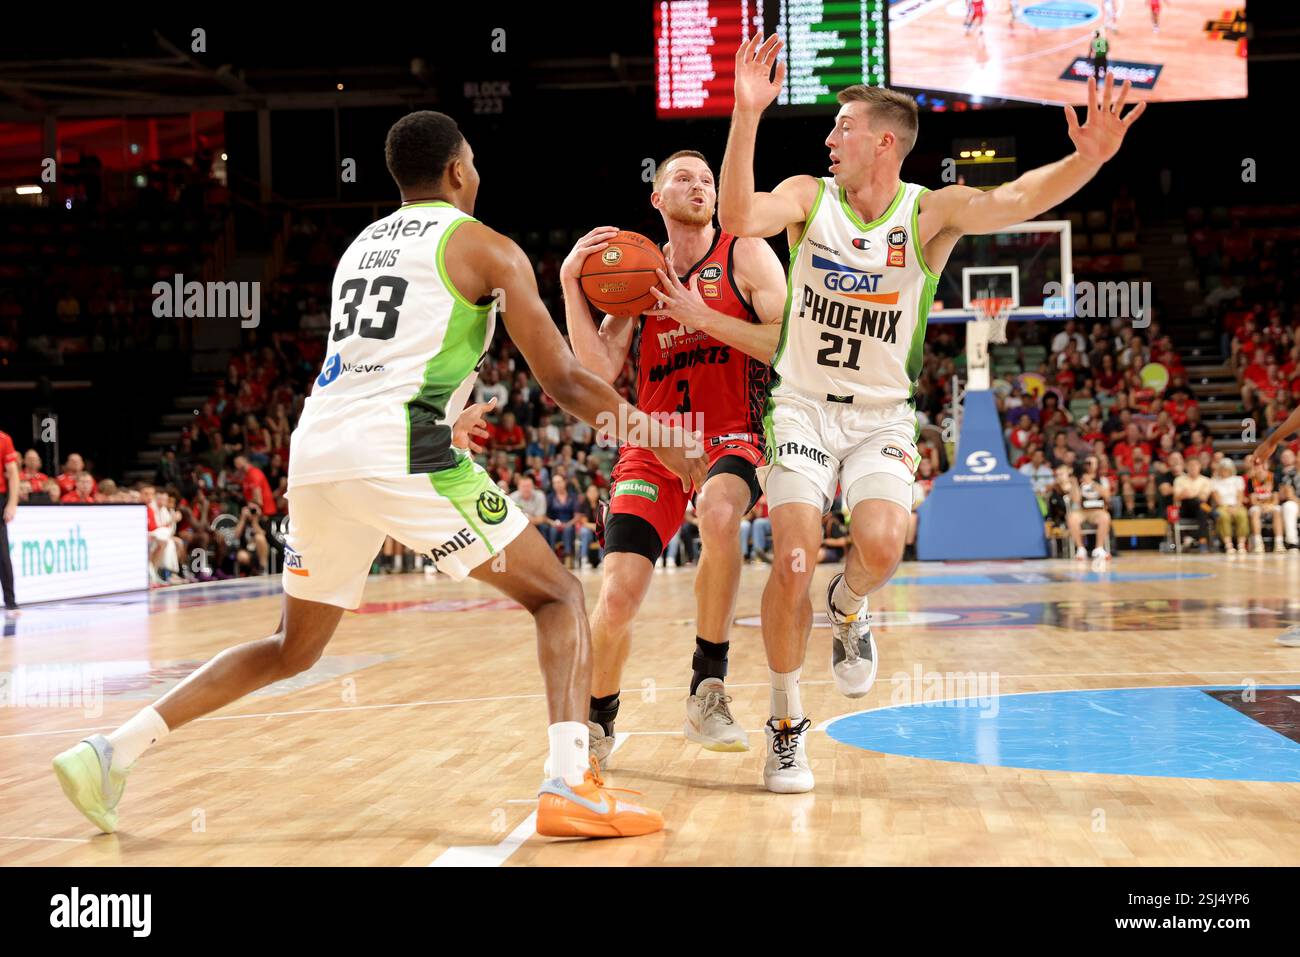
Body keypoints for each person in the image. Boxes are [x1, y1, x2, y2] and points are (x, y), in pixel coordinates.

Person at [54, 109, 707, 840]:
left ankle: (110, 751)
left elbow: (394, 352)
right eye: (475, 165)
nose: (480, 175)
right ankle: (571, 782)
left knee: (289, 647)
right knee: (558, 596)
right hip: (396, 447)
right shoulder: (488, 247)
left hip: (319, 449)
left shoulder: (359, 247)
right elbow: (564, 380)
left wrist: (448, 413)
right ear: (459, 171)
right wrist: (657, 436)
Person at [720, 34, 1144, 790]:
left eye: (842, 129)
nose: (829, 140)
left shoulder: (929, 213)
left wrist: (1090, 160)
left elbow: (1015, 200)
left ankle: (848, 605)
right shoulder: (806, 197)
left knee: (883, 546)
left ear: (884, 142)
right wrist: (745, 114)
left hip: (881, 414)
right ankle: (786, 725)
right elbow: (735, 212)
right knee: (790, 554)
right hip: (802, 407)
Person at [562, 149, 787, 766]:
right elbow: (596, 372)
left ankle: (707, 685)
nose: (701, 186)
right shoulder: (639, 274)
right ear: (656, 200)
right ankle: (598, 721)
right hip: (654, 443)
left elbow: (788, 344)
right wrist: (567, 285)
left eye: (709, 179)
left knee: (719, 516)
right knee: (617, 597)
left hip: (731, 435)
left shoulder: (744, 251)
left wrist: (700, 315)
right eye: (683, 178)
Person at [1211, 459, 1249, 554]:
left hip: (1236, 504)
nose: (1225, 471)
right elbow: (1217, 498)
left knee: (1242, 514)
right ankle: (1228, 545)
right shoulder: (1215, 481)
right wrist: (1226, 507)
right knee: (1223, 516)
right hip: (1222, 505)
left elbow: (1240, 496)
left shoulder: (1238, 479)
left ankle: (1241, 544)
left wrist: (1236, 506)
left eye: (1227, 469)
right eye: (1223, 469)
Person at [0, 427, 18, 610]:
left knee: (2, 554)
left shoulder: (3, 438)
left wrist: (12, 503)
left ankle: (10, 602)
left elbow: (12, 473)